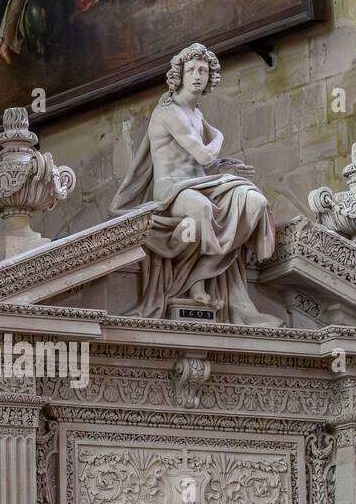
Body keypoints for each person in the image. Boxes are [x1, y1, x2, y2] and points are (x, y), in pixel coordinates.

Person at [112, 43, 282, 326]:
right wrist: (220, 138)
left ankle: (199, 274)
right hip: (172, 190)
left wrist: (220, 165)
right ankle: (197, 285)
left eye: (203, 70)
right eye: (191, 70)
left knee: (254, 201)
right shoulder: (168, 112)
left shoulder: (198, 114)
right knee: (203, 211)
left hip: (199, 183)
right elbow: (203, 153)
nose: (197, 76)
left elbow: (204, 161)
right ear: (179, 75)